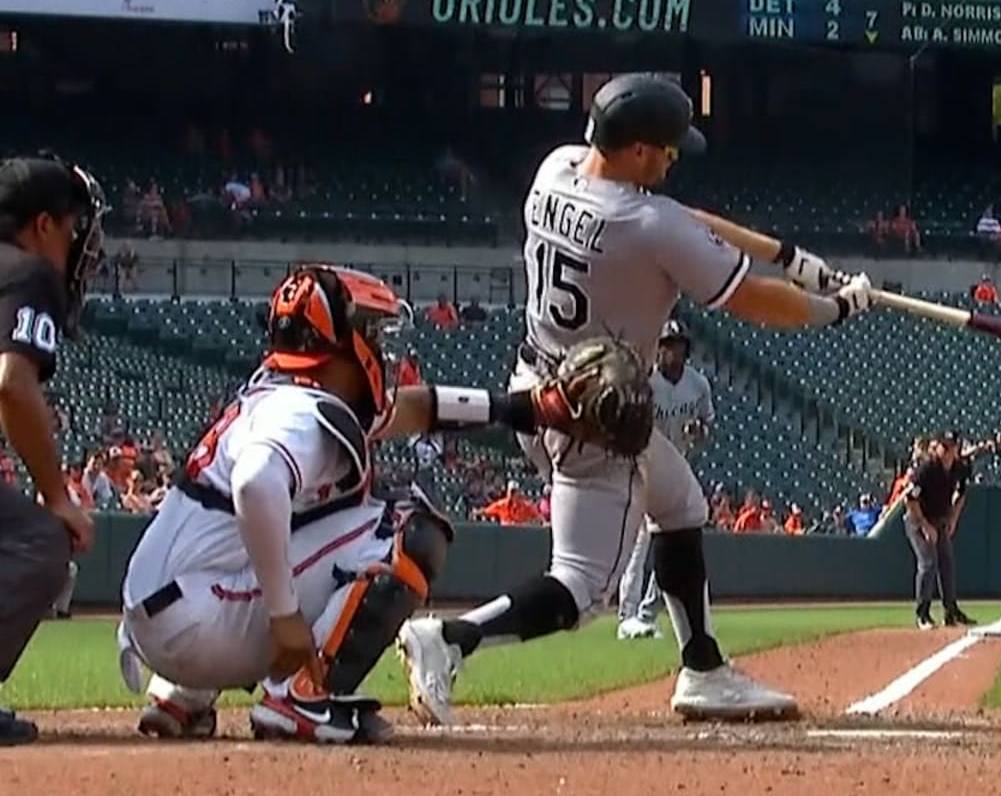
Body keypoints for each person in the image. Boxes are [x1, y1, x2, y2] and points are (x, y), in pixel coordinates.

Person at [396, 72, 873, 725]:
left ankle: (702, 667)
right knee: (579, 587)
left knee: (680, 504)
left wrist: (786, 254)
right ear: (639, 151)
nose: (675, 157)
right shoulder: (653, 225)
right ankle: (451, 640)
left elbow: (683, 221)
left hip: (536, 386)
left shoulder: (557, 167)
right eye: (667, 148)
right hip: (597, 417)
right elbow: (751, 298)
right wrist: (834, 307)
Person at [121, 264, 654, 744]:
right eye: (370, 331)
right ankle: (300, 698)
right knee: (408, 526)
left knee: (309, 520)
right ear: (336, 341)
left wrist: (530, 408)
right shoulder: (304, 413)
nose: (379, 345)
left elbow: (420, 409)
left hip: (165, 610)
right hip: (198, 619)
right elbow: (257, 483)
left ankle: (182, 696)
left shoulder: (283, 391)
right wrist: (285, 615)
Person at [0, 155, 106, 746]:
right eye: (70, 228)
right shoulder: (27, 272)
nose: (75, 243)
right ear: (42, 225)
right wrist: (57, 495)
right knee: (39, 539)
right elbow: (12, 384)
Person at [617, 319, 714, 641]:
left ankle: (644, 613)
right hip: (644, 468)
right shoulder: (646, 384)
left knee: (672, 542)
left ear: (686, 349)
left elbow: (706, 425)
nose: (671, 351)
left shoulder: (698, 385)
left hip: (678, 471)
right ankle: (629, 615)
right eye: (666, 344)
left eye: (676, 345)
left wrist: (698, 431)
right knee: (641, 543)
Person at [903, 432, 977, 630]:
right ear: (936, 448)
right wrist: (925, 526)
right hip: (917, 520)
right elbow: (910, 499)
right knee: (928, 563)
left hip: (940, 520)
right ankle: (923, 614)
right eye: (944, 447)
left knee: (946, 563)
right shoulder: (927, 469)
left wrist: (953, 518)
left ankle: (950, 612)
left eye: (951, 447)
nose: (947, 452)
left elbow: (961, 494)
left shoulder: (958, 468)